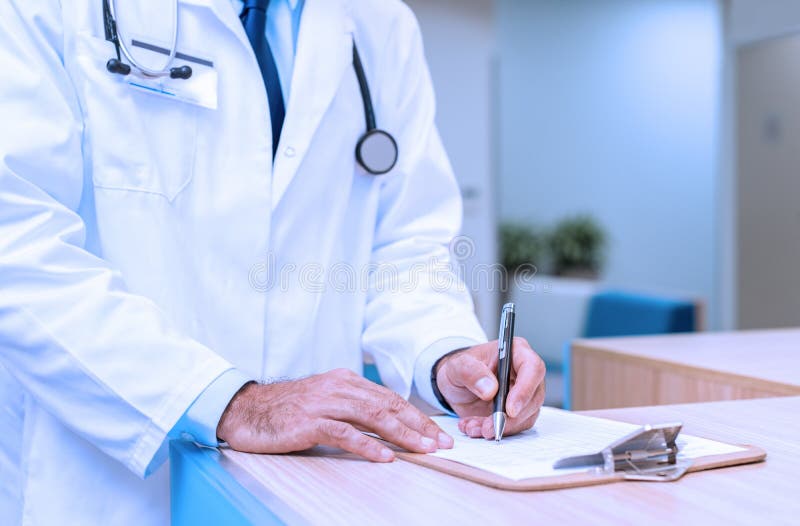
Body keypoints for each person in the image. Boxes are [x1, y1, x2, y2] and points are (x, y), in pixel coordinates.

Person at [0, 0, 545, 524]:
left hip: (314, 486)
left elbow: (406, 247)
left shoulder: (381, 23)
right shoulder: (45, 8)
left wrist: (447, 357)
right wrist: (233, 402)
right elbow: (19, 248)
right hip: (109, 482)